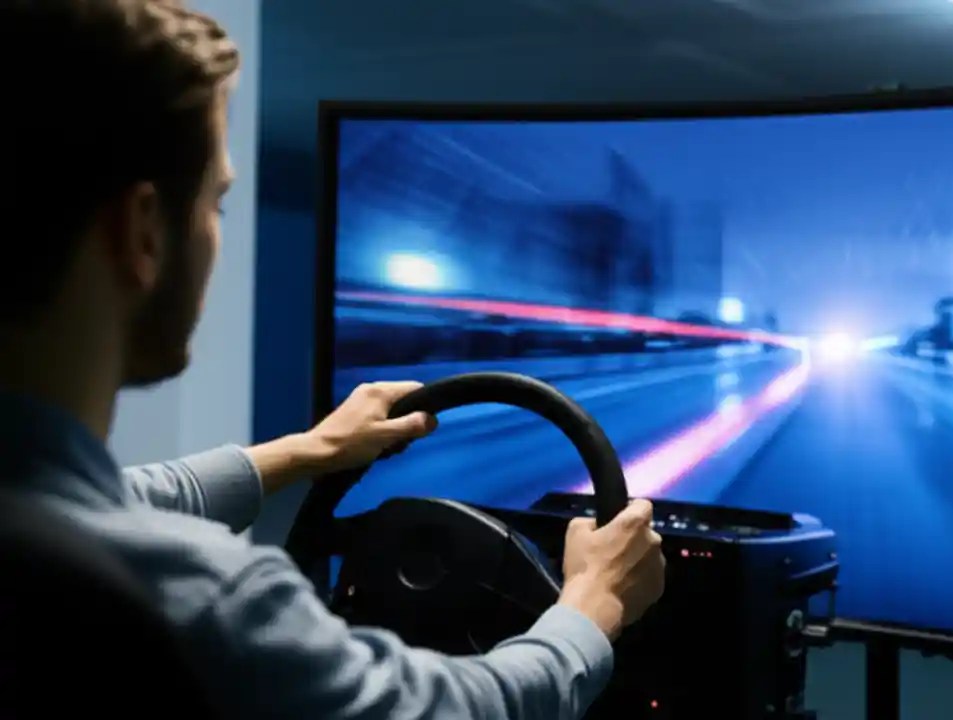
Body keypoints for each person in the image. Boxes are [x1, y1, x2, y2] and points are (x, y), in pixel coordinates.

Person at [0, 1, 666, 718]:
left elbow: (105, 496)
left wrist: (309, 451)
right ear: (143, 233)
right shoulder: (206, 610)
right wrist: (589, 609)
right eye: (215, 204)